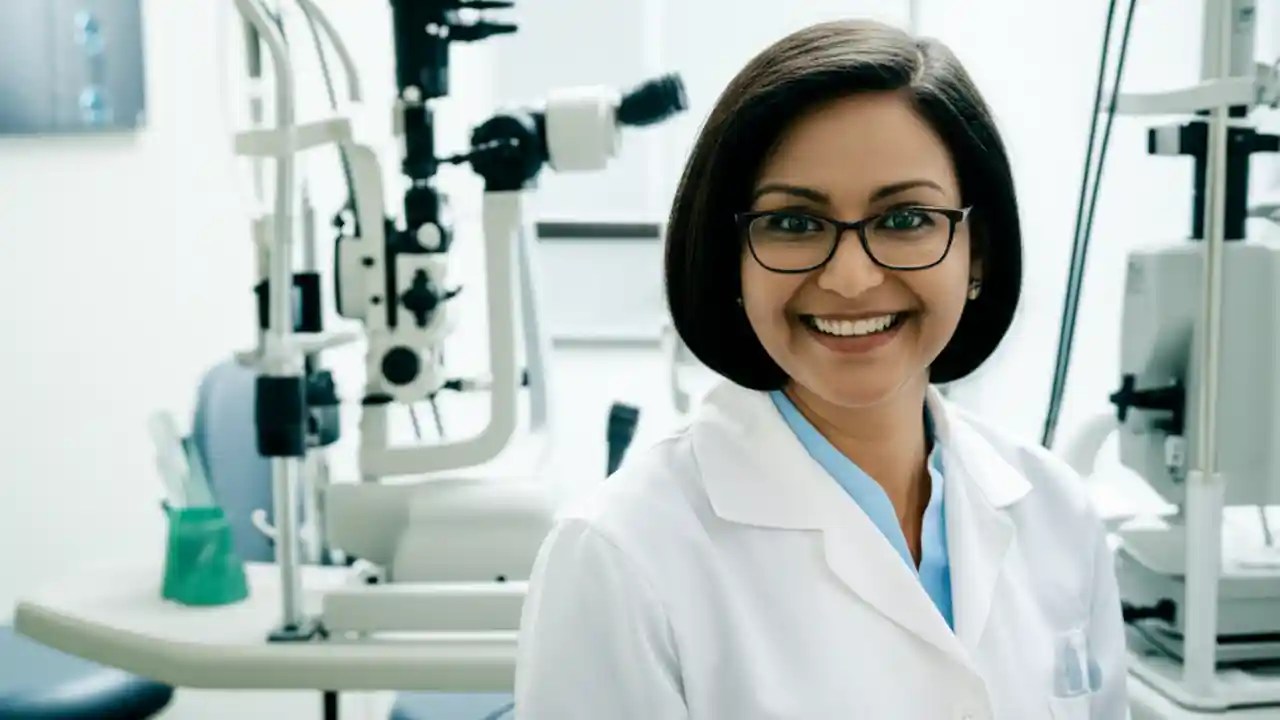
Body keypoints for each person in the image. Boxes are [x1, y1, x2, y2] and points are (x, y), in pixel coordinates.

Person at [514, 18, 1127, 720]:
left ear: (977, 252)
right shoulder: (621, 556)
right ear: (731, 260)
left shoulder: (1058, 515)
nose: (851, 277)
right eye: (795, 224)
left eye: (905, 219)